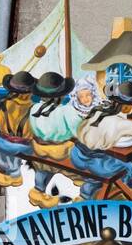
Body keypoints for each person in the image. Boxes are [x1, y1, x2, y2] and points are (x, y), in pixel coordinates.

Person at [70, 79, 132, 199]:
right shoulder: (121, 123)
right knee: (131, 170)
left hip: (77, 155)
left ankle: (86, 192)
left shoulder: (98, 111)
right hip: (97, 163)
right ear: (128, 107)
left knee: (107, 162)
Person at [28, 71, 87, 208]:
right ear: (61, 95)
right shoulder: (66, 111)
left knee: (43, 168)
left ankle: (38, 190)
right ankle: (85, 196)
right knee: (89, 171)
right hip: (62, 153)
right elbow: (80, 133)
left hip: (39, 151)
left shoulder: (33, 109)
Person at [0, 63, 36, 188]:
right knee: (17, 148)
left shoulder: (3, 104)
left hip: (4, 142)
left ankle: (9, 173)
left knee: (0, 141)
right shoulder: (34, 109)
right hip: (26, 146)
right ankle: (15, 174)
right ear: (30, 92)